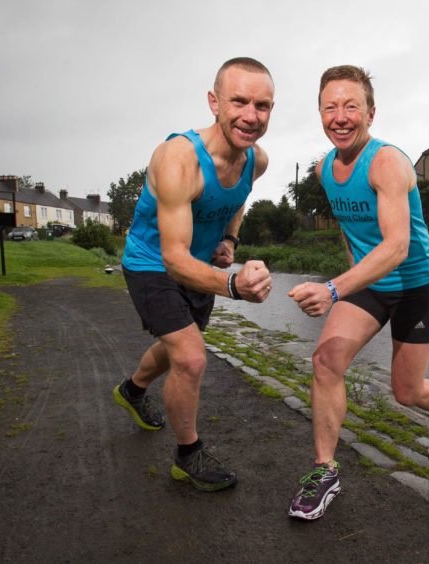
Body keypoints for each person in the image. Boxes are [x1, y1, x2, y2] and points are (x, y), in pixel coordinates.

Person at [287, 65, 429, 519]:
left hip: (414, 286)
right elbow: (351, 231)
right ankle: (324, 471)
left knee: (406, 393)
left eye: (351, 106)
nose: (340, 116)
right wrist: (350, 282)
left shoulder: (387, 162)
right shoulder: (327, 168)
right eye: (330, 107)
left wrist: (332, 289)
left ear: (370, 113)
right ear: (320, 114)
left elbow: (398, 245)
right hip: (368, 284)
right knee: (325, 361)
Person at [113, 57, 275, 492]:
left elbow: (240, 196)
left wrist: (229, 240)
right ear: (214, 103)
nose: (250, 115)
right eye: (238, 101)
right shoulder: (178, 160)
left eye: (262, 105)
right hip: (154, 262)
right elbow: (173, 257)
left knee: (179, 346)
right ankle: (188, 456)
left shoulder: (255, 160)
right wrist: (234, 286)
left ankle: (132, 390)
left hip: (199, 263)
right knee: (190, 355)